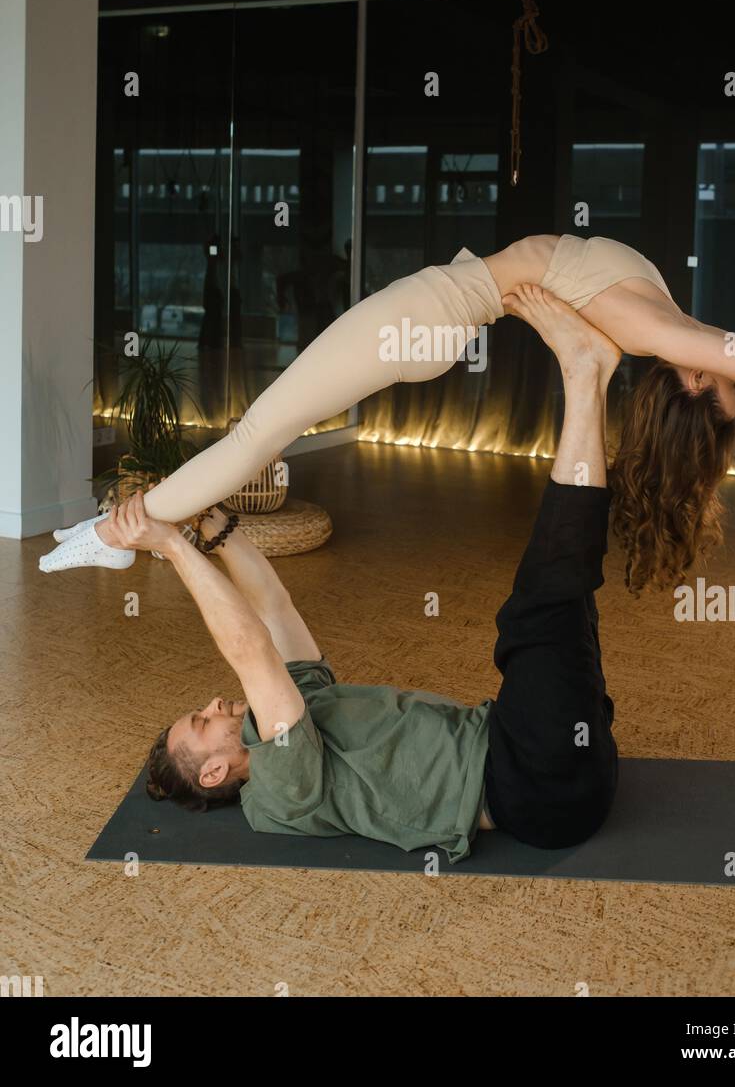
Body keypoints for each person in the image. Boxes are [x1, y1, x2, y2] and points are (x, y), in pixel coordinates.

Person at [105, 287, 621, 863]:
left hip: (541, 747)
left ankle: (593, 376)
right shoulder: (280, 789)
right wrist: (171, 547)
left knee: (567, 599)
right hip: (535, 785)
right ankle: (582, 371)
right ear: (216, 772)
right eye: (202, 720)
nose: (216, 703)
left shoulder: (291, 711)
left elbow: (274, 609)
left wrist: (217, 527)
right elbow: (249, 651)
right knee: (539, 610)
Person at [39, 233, 735, 592]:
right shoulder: (664, 322)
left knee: (257, 433)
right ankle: (119, 531)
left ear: (694, 390)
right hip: (440, 314)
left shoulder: (660, 331)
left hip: (435, 313)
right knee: (262, 429)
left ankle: (115, 535)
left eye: (727, 390)